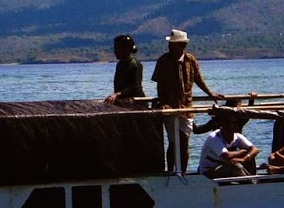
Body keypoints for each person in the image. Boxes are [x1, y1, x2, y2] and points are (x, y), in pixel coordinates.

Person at [150, 28, 217, 174]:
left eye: (173, 44)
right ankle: (171, 171)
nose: (169, 47)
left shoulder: (190, 60)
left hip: (187, 107)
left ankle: (183, 173)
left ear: (181, 45)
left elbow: (198, 79)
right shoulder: (163, 60)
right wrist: (163, 102)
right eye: (170, 44)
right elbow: (160, 84)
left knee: (185, 141)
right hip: (170, 108)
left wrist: (210, 93)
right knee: (173, 142)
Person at [197, 112, 259, 179]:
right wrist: (242, 151)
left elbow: (255, 149)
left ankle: (253, 179)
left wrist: (244, 158)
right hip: (208, 172)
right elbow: (227, 156)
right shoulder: (214, 137)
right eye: (227, 123)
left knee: (250, 157)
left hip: (224, 167)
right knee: (236, 167)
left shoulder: (237, 136)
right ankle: (250, 183)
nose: (230, 126)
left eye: (233, 123)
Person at [106, 34, 144, 103]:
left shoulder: (135, 65)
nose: (115, 51)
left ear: (126, 49)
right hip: (122, 101)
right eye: (115, 49)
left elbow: (134, 87)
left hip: (135, 102)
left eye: (117, 49)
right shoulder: (120, 64)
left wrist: (117, 94)